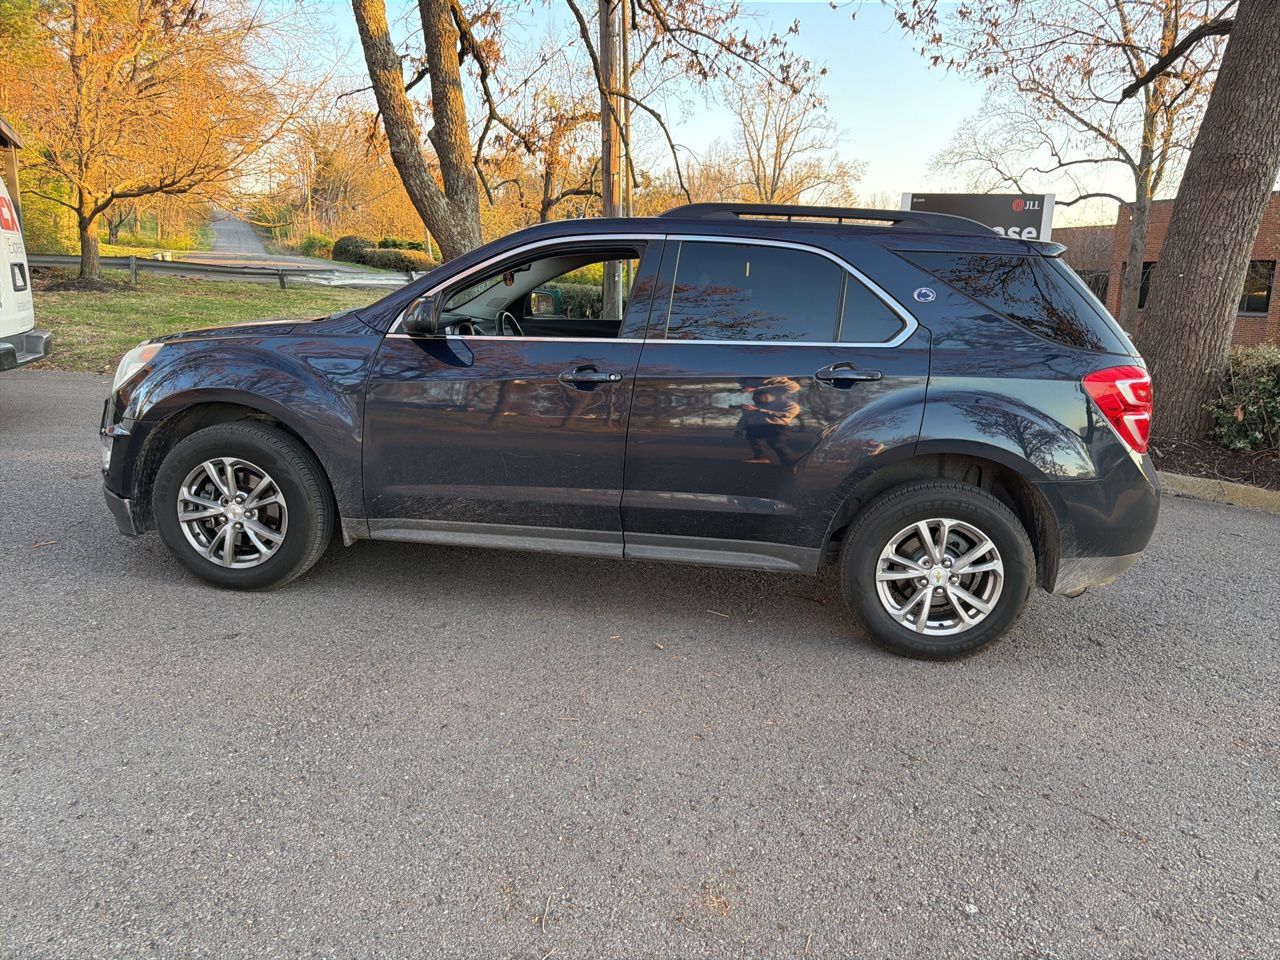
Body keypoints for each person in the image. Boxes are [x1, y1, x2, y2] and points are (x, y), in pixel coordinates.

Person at [736, 380, 801, 464]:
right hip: (757, 427)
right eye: (756, 397)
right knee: (751, 437)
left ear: (773, 394)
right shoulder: (753, 407)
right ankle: (760, 457)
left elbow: (786, 415)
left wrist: (759, 410)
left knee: (776, 443)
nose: (758, 398)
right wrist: (738, 430)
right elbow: (744, 418)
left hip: (777, 427)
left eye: (762, 396)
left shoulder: (790, 405)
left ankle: (789, 462)